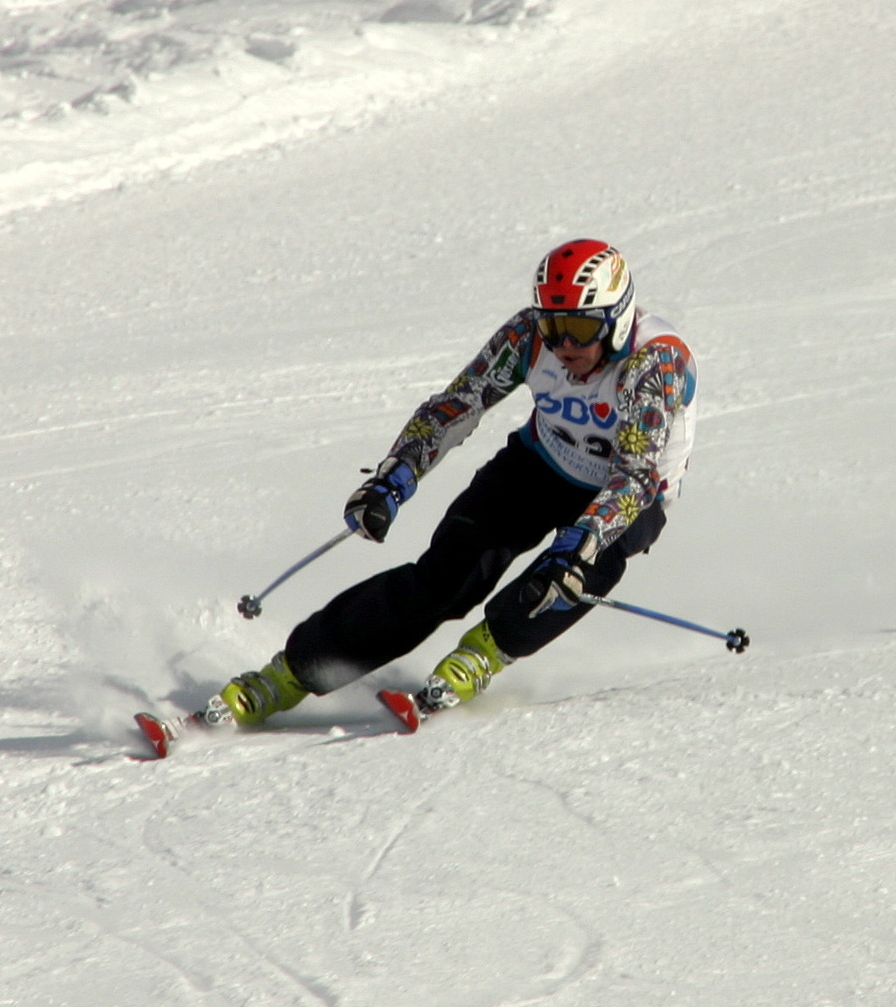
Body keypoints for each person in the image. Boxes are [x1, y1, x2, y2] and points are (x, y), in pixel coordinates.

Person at [209, 238, 697, 727]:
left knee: (574, 572)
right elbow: (457, 405)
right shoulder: (528, 337)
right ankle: (289, 675)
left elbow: (634, 475)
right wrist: (394, 477)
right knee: (443, 580)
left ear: (617, 318)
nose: (564, 345)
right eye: (553, 325)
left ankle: (482, 656)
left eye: (580, 329)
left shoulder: (652, 363)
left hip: (632, 493)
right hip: (540, 465)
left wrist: (582, 542)